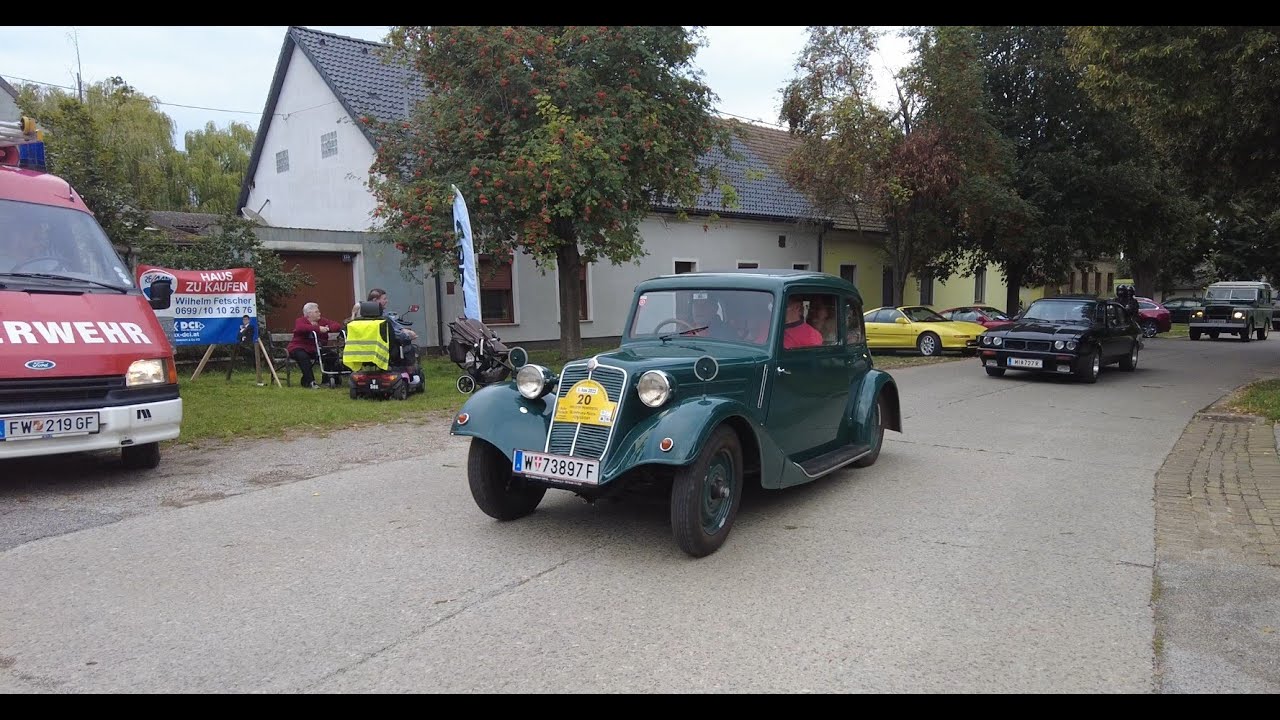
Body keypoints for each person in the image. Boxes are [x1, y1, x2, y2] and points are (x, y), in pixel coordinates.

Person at [286, 302, 344, 389]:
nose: (319, 313)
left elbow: (337, 325)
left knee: (331, 355)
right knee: (303, 357)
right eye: (316, 312)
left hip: (315, 348)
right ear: (309, 314)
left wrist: (328, 328)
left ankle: (327, 380)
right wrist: (318, 328)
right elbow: (301, 328)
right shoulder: (301, 321)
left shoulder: (322, 321)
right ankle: (310, 381)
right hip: (298, 347)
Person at [366, 288, 418, 364]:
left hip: (367, 354)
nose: (387, 301)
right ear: (375, 300)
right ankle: (410, 371)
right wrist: (408, 336)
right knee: (408, 347)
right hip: (386, 353)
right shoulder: (384, 319)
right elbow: (395, 334)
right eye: (384, 299)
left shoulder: (359, 321)